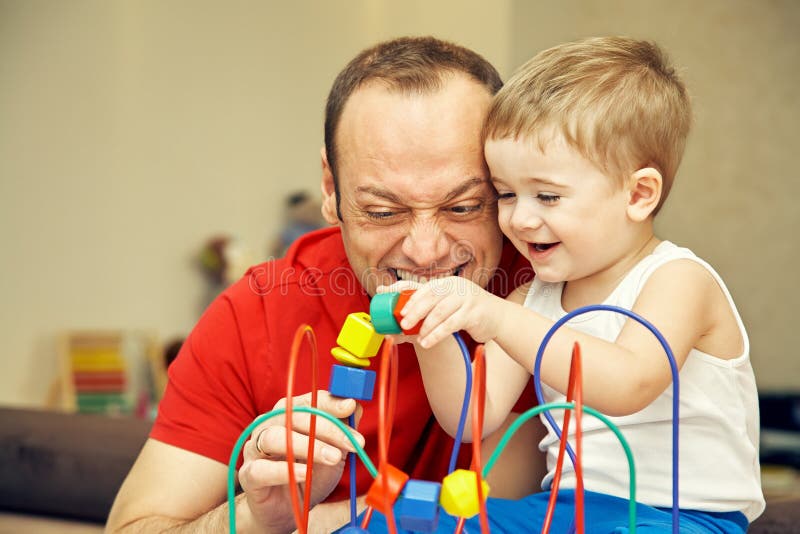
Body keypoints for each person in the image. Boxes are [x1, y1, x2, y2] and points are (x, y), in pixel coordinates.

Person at [105, 36, 545, 534]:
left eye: (464, 206)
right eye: (383, 211)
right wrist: (257, 518)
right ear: (331, 190)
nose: (427, 252)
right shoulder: (256, 314)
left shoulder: (558, 293)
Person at [378, 36, 764, 531]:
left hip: (680, 516)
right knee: (412, 523)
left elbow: (628, 383)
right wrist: (429, 329)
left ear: (639, 194)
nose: (519, 218)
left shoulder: (679, 280)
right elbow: (470, 416)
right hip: (563, 510)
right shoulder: (534, 300)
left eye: (547, 196)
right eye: (506, 194)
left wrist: (495, 316)